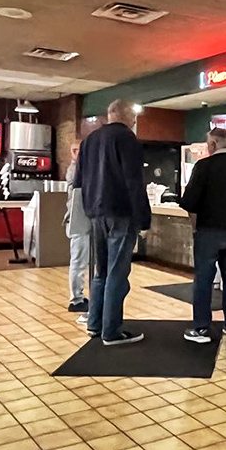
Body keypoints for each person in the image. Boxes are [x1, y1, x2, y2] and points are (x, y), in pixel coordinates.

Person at [74, 99, 151, 346]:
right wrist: (144, 219)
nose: (135, 122)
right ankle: (112, 331)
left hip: (96, 213)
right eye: (134, 117)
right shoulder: (127, 140)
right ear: (126, 116)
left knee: (100, 271)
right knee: (118, 272)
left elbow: (79, 182)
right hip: (121, 213)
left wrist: (88, 209)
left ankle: (95, 324)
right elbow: (133, 181)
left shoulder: (89, 142)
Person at [180, 127, 226, 343]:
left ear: (212, 144)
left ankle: (201, 328)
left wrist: (194, 226)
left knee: (204, 278)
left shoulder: (204, 166)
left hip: (208, 231)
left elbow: (189, 201)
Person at [64, 141, 90, 316]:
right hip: (78, 220)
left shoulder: (79, 169)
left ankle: (79, 296)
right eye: (74, 150)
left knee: (80, 260)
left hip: (79, 220)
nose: (77, 153)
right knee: (78, 261)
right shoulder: (75, 170)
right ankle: (76, 299)